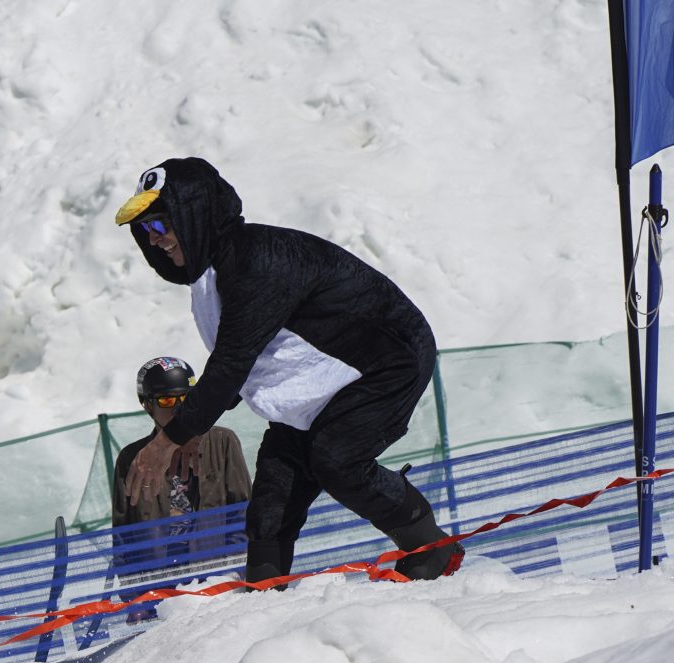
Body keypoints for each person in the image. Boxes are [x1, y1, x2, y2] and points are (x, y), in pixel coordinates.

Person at [114, 158, 462, 584]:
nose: (157, 240)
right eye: (146, 231)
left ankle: (433, 550)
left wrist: (171, 438)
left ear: (194, 212)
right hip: (314, 386)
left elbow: (231, 363)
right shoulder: (214, 275)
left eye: (162, 223)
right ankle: (263, 591)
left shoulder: (256, 260)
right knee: (272, 497)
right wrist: (195, 427)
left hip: (385, 362)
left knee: (338, 459)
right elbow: (243, 363)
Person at [111, 356, 253, 578]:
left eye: (186, 398)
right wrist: (135, 596)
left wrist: (233, 572)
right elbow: (122, 535)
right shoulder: (132, 459)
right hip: (158, 588)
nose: (178, 407)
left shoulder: (222, 442)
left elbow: (243, 513)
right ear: (147, 405)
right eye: (166, 401)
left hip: (216, 579)